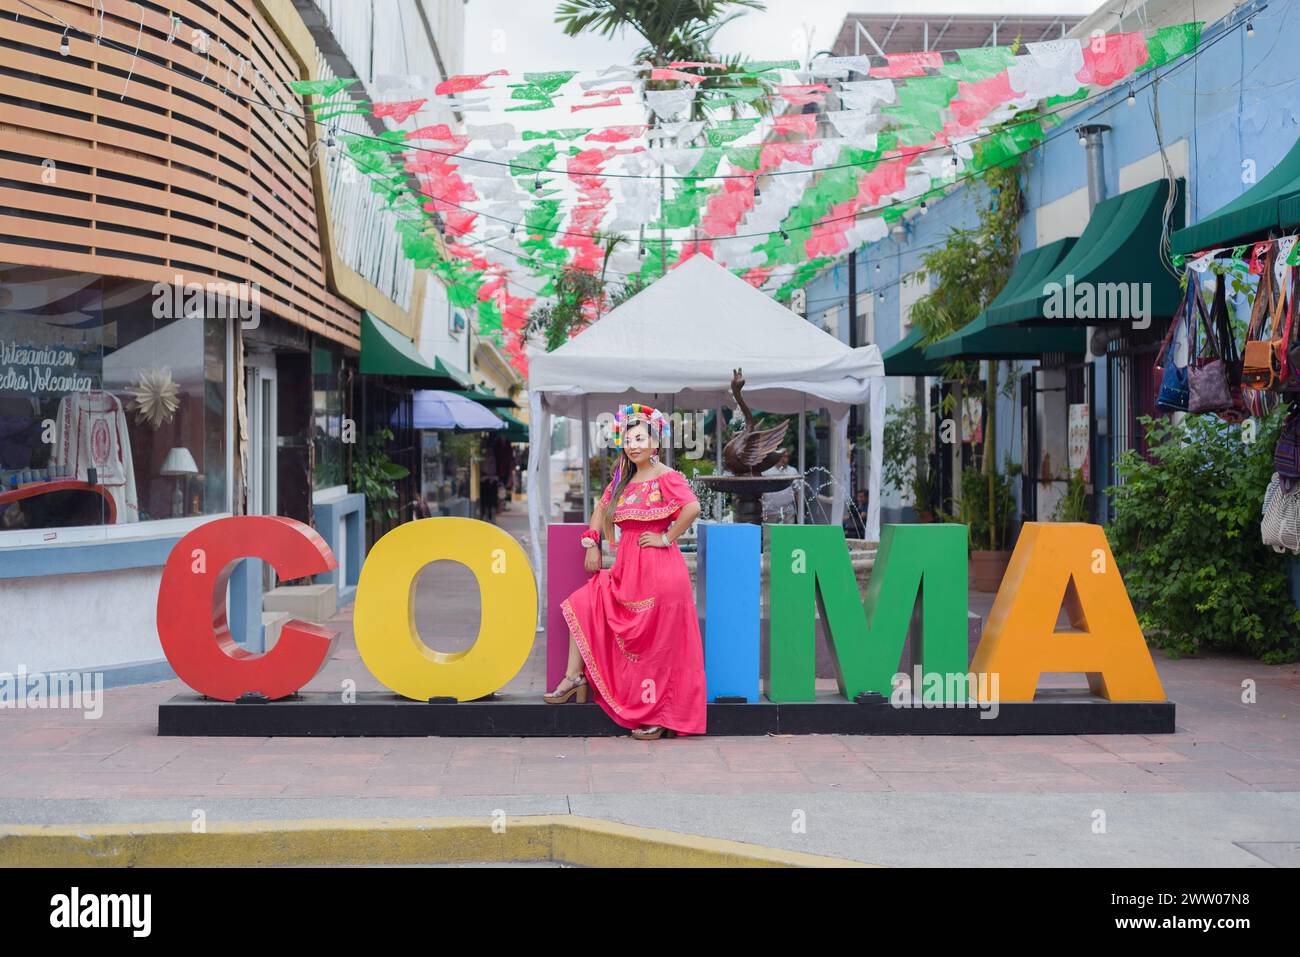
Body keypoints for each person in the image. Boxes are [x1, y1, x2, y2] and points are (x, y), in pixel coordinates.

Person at [544, 404, 706, 739]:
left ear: (654, 442)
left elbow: (692, 507)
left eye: (639, 439)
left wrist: (666, 537)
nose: (632, 446)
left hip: (659, 568)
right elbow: (601, 509)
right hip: (627, 567)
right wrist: (594, 543)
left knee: (657, 644)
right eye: (627, 440)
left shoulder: (667, 477)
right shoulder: (624, 479)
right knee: (584, 601)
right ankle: (575, 676)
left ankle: (659, 716)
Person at [761, 448, 798, 523]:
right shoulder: (766, 471)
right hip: (770, 512)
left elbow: (797, 492)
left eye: (786, 456)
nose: (783, 459)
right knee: (770, 534)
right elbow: (759, 491)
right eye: (781, 456)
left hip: (788, 512)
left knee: (788, 534)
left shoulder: (792, 471)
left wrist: (799, 510)